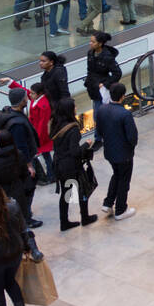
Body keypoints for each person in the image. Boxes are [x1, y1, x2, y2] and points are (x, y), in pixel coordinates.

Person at [95, 82, 138, 220]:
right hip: (124, 154)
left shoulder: (102, 109)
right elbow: (132, 137)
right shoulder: (125, 114)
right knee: (124, 180)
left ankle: (108, 203)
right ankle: (120, 209)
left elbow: (99, 131)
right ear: (123, 96)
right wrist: (131, 147)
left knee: (116, 175)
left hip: (110, 151)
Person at [51, 97, 96, 230]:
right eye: (74, 107)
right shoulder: (73, 129)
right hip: (71, 165)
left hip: (59, 164)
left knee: (66, 193)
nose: (76, 108)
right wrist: (86, 145)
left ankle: (64, 222)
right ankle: (85, 217)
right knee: (83, 189)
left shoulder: (56, 124)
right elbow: (75, 152)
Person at [83, 31, 121, 118]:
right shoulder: (90, 53)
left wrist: (104, 85)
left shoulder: (107, 57)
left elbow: (117, 73)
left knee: (99, 116)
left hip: (102, 90)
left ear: (100, 44)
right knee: (97, 115)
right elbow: (90, 70)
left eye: (93, 42)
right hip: (93, 88)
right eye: (90, 41)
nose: (90, 43)